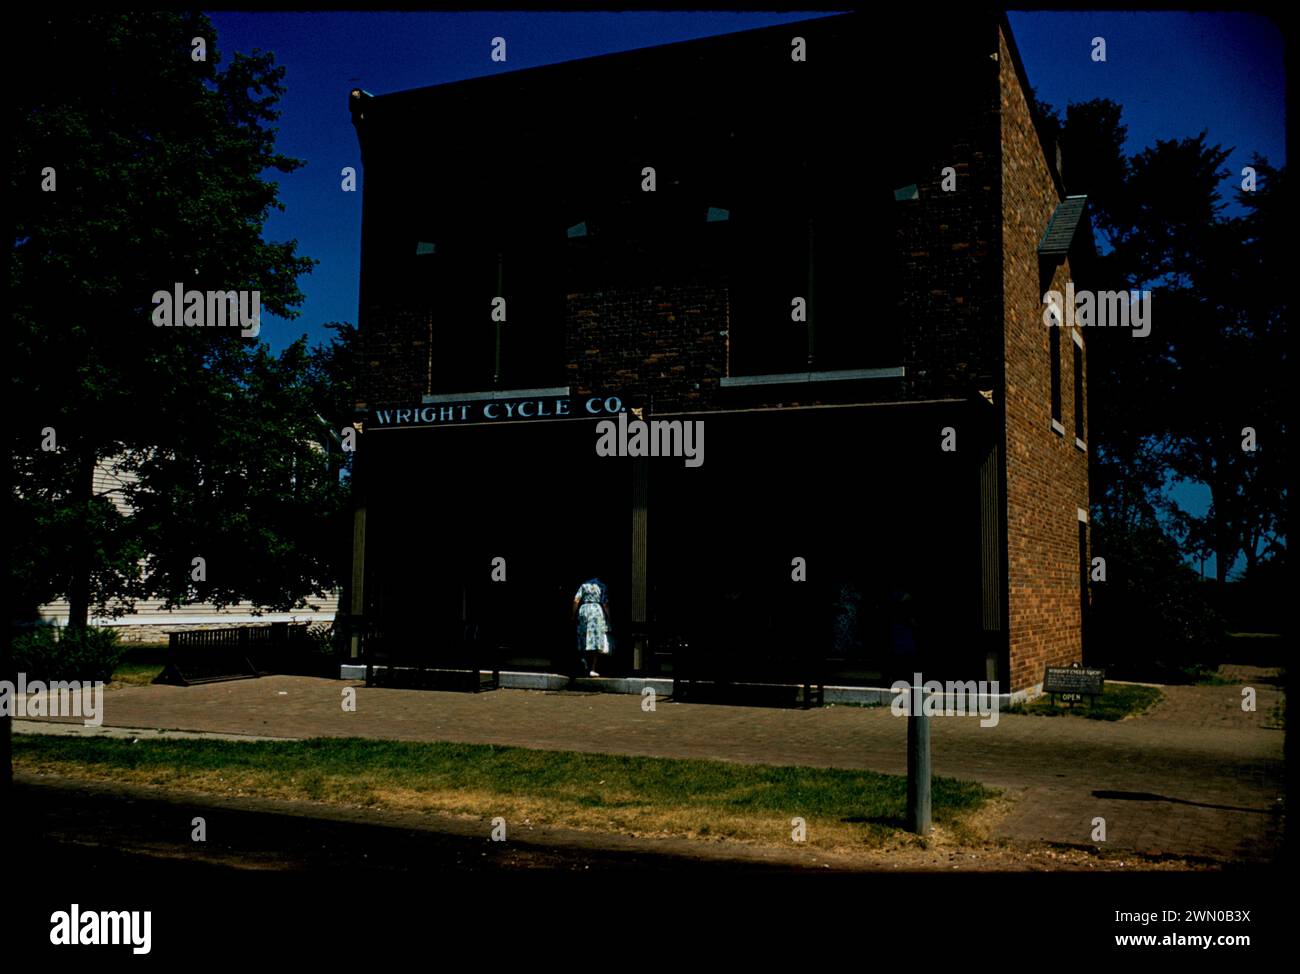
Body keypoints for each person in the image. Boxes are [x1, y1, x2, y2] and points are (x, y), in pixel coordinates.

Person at [571, 577, 611, 677]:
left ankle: (583, 659)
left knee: (584, 636)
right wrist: (609, 617)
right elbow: (605, 603)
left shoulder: (584, 585)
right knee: (595, 640)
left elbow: (576, 600)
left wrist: (573, 615)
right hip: (596, 611)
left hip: (584, 610)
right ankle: (592, 668)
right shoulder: (601, 585)